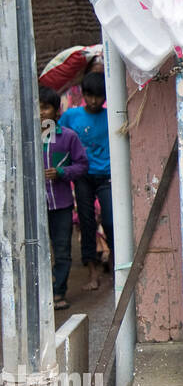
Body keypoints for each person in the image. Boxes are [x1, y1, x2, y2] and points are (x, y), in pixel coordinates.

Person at [60, 71, 113, 290]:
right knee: (86, 222)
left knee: (110, 222)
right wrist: (57, 166)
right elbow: (51, 136)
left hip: (107, 176)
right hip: (82, 176)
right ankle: (92, 272)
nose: (94, 101)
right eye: (90, 95)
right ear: (83, 94)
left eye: (98, 96)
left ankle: (113, 263)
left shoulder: (111, 115)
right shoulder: (72, 117)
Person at [41, 86, 88, 310]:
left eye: (46, 107)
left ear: (56, 112)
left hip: (61, 204)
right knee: (36, 251)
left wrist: (61, 172)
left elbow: (82, 165)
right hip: (36, 207)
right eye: (37, 108)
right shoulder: (26, 140)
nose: (41, 113)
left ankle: (59, 292)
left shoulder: (68, 137)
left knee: (61, 250)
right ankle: (41, 294)